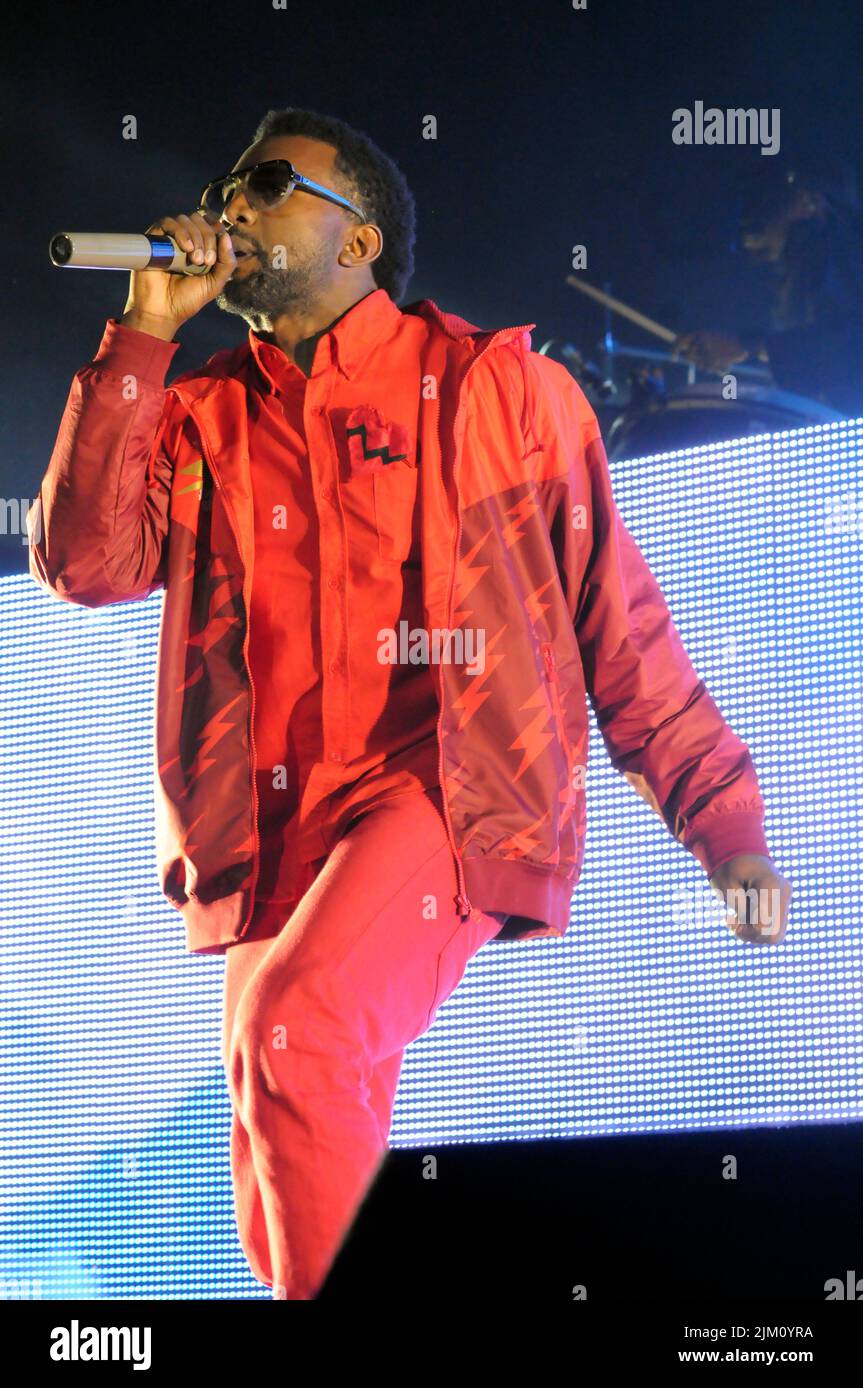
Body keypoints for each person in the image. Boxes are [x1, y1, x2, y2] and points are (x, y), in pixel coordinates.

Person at [28, 106, 792, 1299]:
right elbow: (83, 563)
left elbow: (617, 622)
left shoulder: (499, 389)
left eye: (269, 182)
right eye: (226, 184)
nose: (231, 204)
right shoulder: (202, 412)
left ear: (360, 236)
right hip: (267, 830)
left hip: (441, 792)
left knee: (295, 1032)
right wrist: (140, 339)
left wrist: (724, 829)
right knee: (270, 1098)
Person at [673, 154, 863, 416]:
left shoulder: (839, 251)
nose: (749, 217)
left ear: (809, 202)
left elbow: (846, 347)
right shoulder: (819, 258)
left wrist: (745, 345)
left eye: (766, 197)